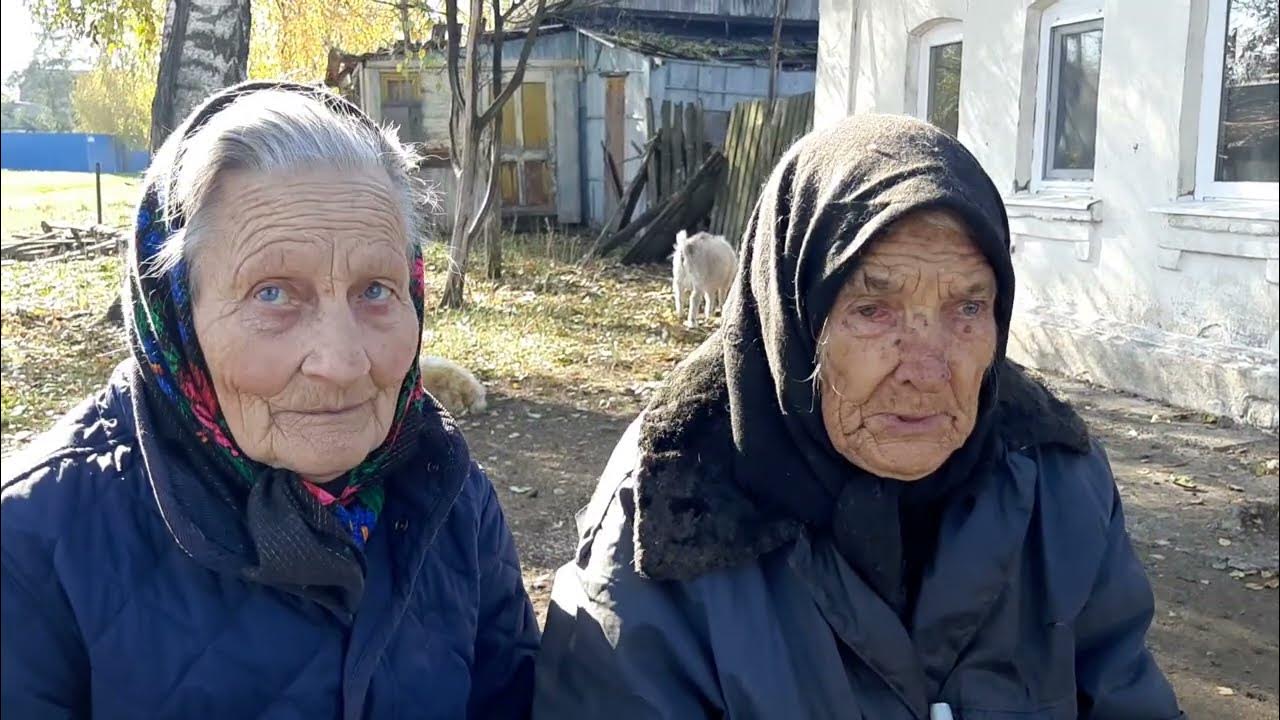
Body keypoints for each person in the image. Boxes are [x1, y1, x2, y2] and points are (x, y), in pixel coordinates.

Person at [533, 114, 1184, 719]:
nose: (929, 371)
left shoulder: (1057, 481)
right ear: (794, 318)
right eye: (874, 310)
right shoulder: (667, 509)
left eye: (967, 309)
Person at [1, 82, 538, 719]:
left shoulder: (447, 490)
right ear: (175, 313)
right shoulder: (33, 543)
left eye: (374, 290)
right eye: (274, 295)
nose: (342, 364)